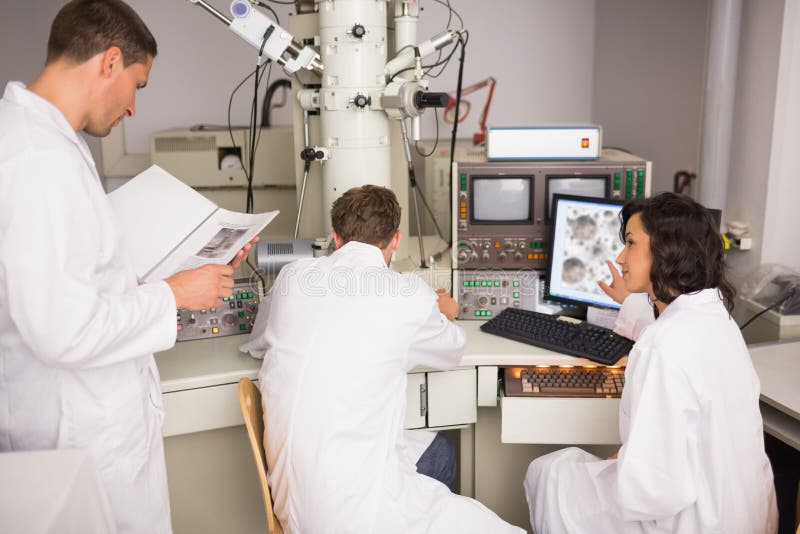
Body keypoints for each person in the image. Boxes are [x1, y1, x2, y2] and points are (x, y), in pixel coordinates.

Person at [0, 1, 255, 532]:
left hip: (96, 423)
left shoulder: (51, 144)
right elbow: (60, 330)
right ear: (110, 62)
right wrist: (175, 295)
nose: (135, 109)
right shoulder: (35, 161)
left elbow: (85, 279)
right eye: (139, 85)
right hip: (81, 434)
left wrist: (195, 266)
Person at [241, 185, 524, 533]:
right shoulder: (408, 294)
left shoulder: (293, 276)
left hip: (291, 507)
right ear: (396, 240)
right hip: (358, 517)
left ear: (336, 237)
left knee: (438, 451)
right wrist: (442, 312)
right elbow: (453, 352)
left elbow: (257, 344)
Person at [524, 192, 778, 533]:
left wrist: (631, 463)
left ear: (665, 250)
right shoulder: (718, 319)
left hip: (687, 521)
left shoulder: (660, 348)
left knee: (549, 472)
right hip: (743, 515)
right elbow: (666, 327)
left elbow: (652, 493)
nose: (620, 256)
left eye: (630, 243)